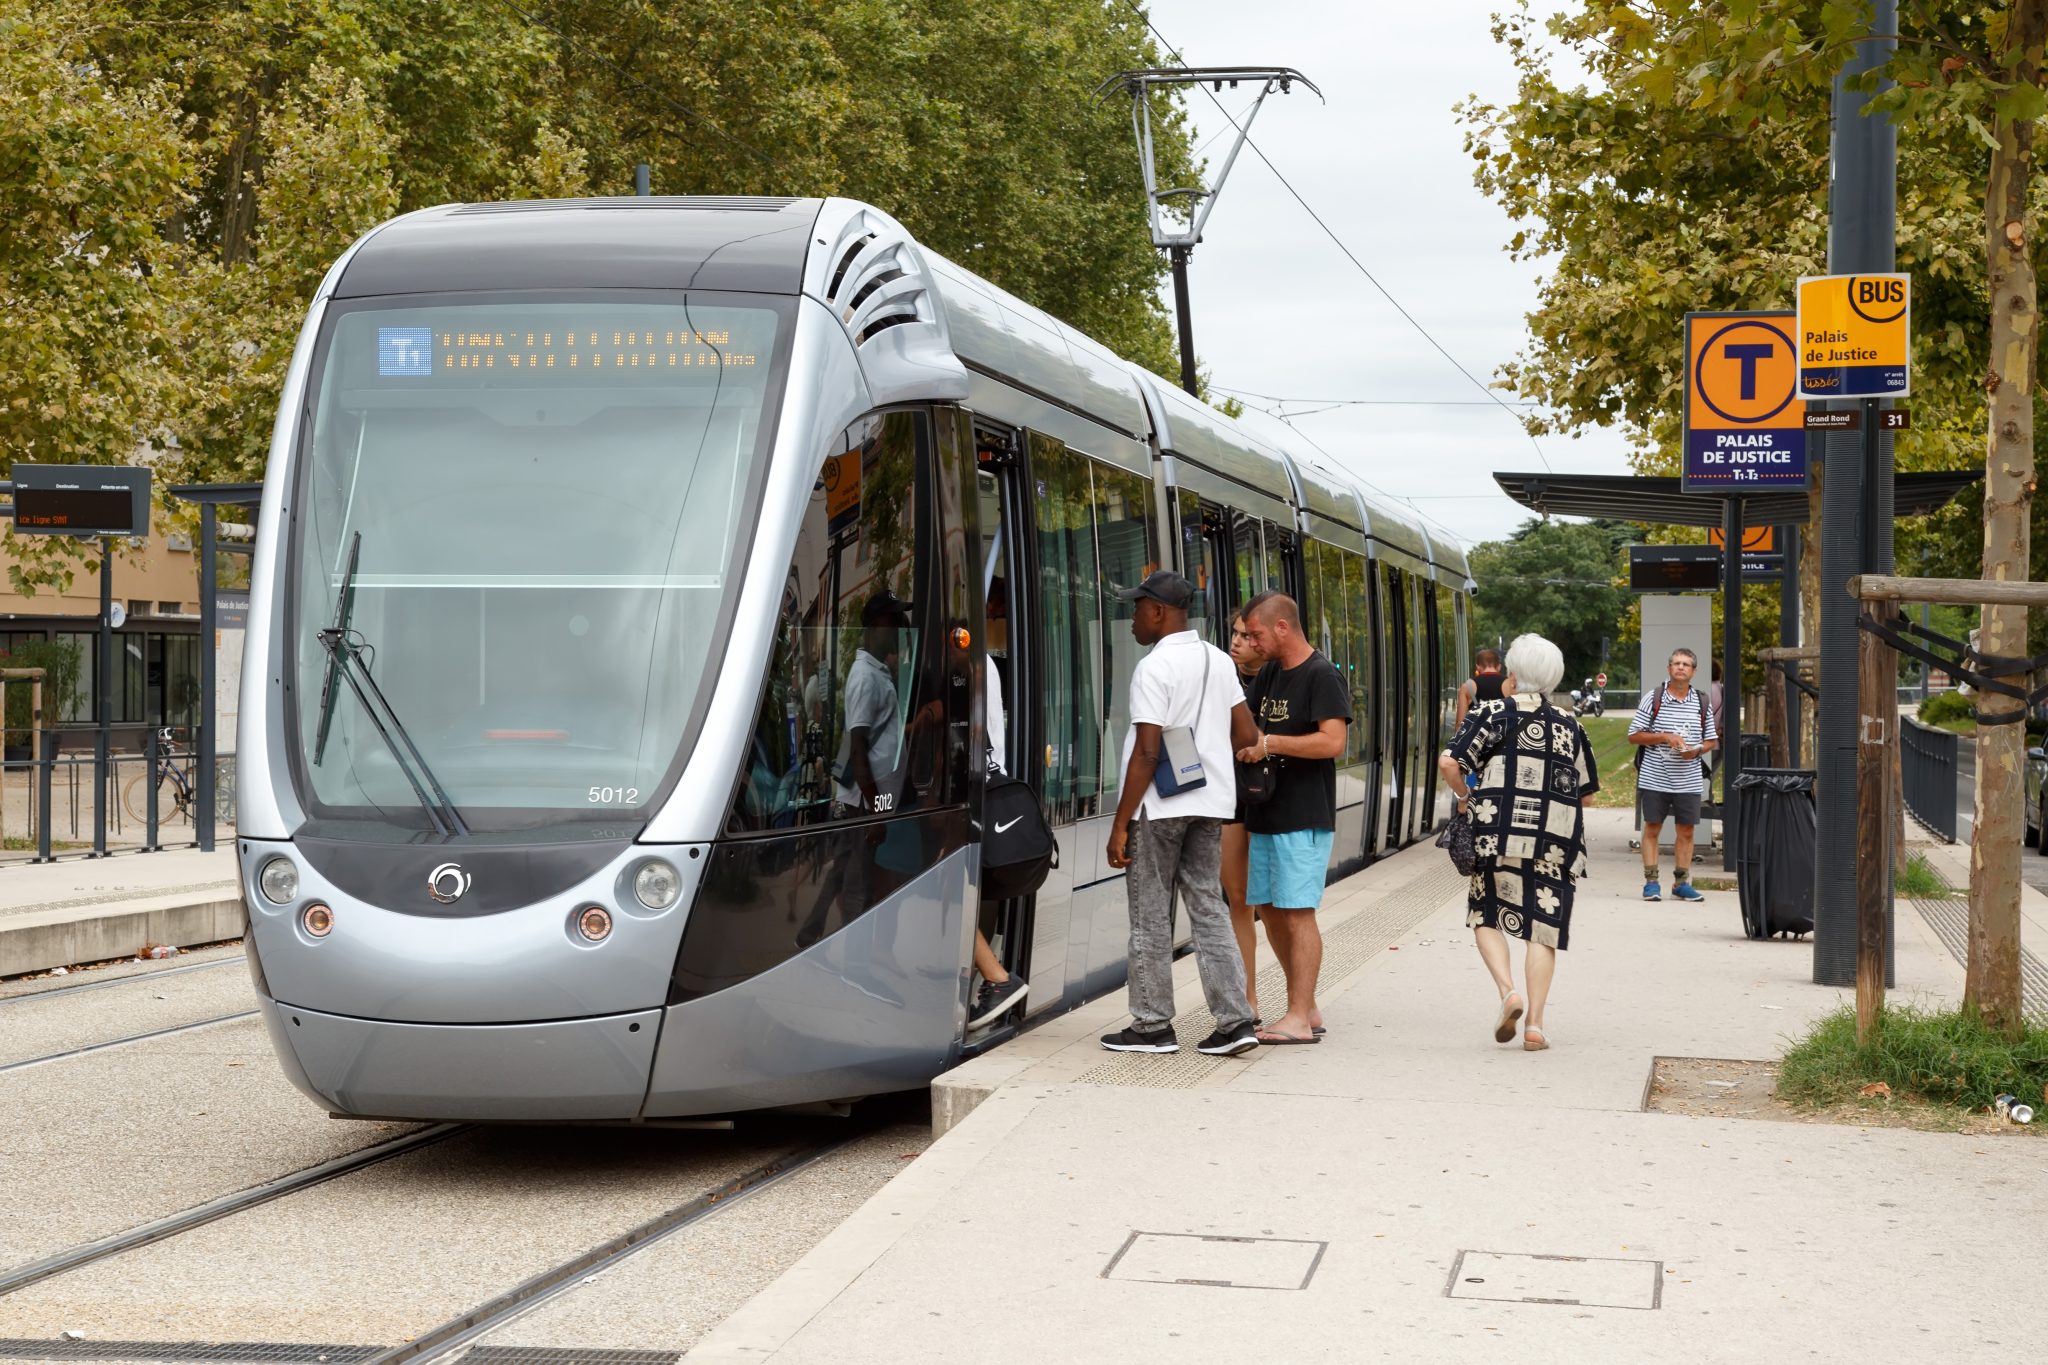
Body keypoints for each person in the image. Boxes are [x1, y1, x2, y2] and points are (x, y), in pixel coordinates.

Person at [1101, 570, 1264, 1056]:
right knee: (1209, 908)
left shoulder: (1153, 669)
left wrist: (1119, 824)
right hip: (1211, 804)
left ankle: (1152, 1026)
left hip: (1161, 806)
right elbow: (1247, 735)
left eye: (1136, 609)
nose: (1131, 619)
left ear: (1158, 611)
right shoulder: (1218, 660)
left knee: (1150, 914)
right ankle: (1236, 1022)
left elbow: (1147, 754)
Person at [1436, 633, 1599, 1052]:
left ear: (1513, 675)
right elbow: (1587, 791)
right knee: (1541, 930)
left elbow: (1449, 762)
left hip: (1497, 831)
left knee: (1486, 914)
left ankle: (1509, 993)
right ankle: (1536, 1028)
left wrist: (1464, 795)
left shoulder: (1491, 713)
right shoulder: (1571, 724)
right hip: (1555, 839)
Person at [1238, 593, 1352, 1047]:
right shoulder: (1268, 673)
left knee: (1298, 912)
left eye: (1257, 634)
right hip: (1265, 808)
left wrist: (1272, 744)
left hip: (1303, 813)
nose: (1252, 641)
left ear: (1282, 627)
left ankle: (1299, 1017)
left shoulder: (1321, 675)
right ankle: (1305, 1005)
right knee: (1269, 908)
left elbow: (1332, 743)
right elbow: (1249, 723)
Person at [1628, 646, 1717, 903]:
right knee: (1653, 827)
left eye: (1686, 664)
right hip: (1655, 776)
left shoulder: (1701, 702)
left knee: (1686, 831)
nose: (1680, 667)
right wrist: (1665, 737)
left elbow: (1711, 740)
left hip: (1688, 778)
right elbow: (1634, 736)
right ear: (1669, 669)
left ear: (1693, 671)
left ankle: (1681, 882)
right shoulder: (1654, 698)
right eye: (1676, 663)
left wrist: (1696, 751)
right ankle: (1651, 882)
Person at [1221, 600, 1270, 1022]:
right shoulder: (1220, 674)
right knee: (1239, 898)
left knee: (1274, 904)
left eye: (1247, 636)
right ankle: (1247, 997)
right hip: (1231, 798)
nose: (1238, 643)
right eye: (1235, 635)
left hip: (1276, 798)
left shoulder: (1282, 677)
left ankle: (1301, 1000)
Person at [1453, 647, 1506, 731]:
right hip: (1502, 739)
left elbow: (1460, 725)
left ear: (1477, 667)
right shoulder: (1510, 685)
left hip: (1476, 740)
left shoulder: (1468, 686)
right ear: (1499, 666)